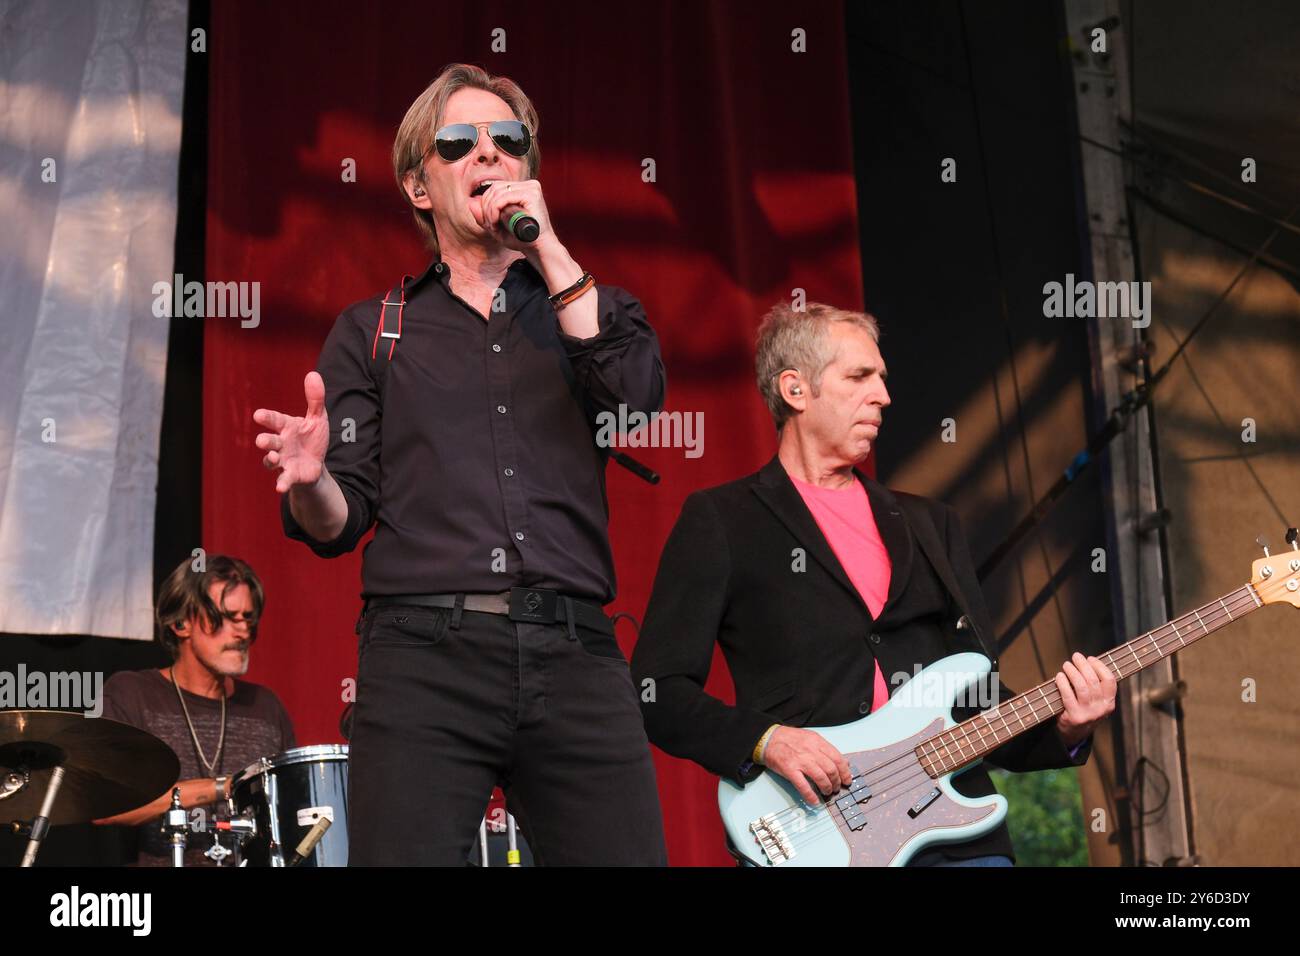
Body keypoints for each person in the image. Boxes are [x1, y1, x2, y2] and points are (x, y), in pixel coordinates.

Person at [253, 63, 667, 865]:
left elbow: (633, 400)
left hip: (577, 652)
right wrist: (313, 482)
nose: (490, 156)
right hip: (424, 657)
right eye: (460, 143)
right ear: (418, 184)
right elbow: (340, 524)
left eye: (509, 142)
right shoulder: (375, 330)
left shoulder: (589, 308)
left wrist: (546, 246)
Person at [631, 301, 1116, 866]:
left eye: (883, 378)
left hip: (957, 840)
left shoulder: (931, 524)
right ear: (795, 389)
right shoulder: (724, 519)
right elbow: (656, 690)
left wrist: (1066, 727)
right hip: (815, 831)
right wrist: (766, 741)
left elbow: (978, 701)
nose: (883, 395)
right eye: (861, 376)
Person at [96, 555, 295, 866]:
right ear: (180, 623)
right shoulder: (132, 694)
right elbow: (104, 805)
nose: (242, 631)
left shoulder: (266, 707)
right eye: (227, 617)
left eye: (247, 617)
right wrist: (225, 787)